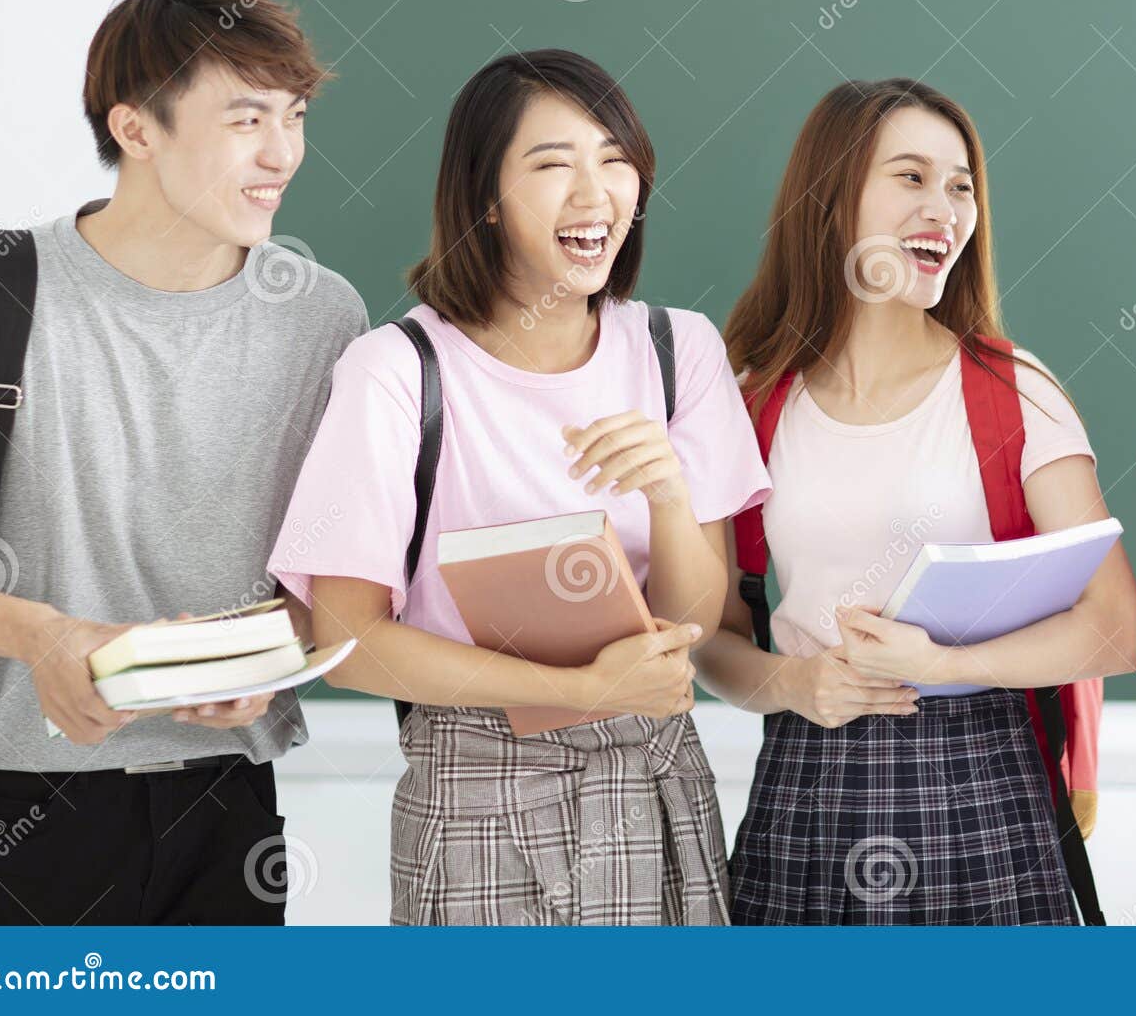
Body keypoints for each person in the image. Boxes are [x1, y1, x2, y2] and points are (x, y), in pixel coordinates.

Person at [267, 49, 769, 926]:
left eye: (616, 160)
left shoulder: (678, 350)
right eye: (552, 164)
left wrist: (668, 497)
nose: (595, 192)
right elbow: (347, 640)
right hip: (478, 797)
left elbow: (692, 621)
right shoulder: (397, 372)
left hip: (655, 777)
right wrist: (582, 691)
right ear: (485, 198)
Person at [0, 0, 367, 925]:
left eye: (293, 116)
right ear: (136, 129)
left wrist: (275, 653)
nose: (283, 153)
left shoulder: (324, 318)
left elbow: (341, 579)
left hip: (232, 808)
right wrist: (42, 637)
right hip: (21, 809)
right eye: (246, 119)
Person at [694, 77, 1136, 924]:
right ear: (832, 201)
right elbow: (714, 642)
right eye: (910, 177)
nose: (944, 207)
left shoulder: (1017, 390)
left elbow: (1116, 628)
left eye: (961, 184)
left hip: (987, 787)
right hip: (805, 790)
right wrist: (794, 684)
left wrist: (943, 664)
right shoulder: (752, 403)